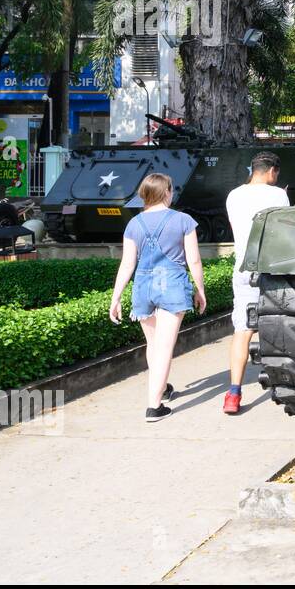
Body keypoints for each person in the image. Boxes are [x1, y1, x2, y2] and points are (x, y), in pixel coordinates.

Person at [109, 173, 207, 422]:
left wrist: (116, 297)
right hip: (172, 286)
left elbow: (127, 264)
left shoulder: (134, 224)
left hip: (143, 287)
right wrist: (200, 290)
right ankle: (154, 406)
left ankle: (162, 388)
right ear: (166, 193)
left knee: (153, 345)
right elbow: (193, 259)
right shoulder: (184, 220)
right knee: (164, 347)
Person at [224, 152, 290, 415]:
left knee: (242, 331)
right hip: (272, 269)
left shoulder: (233, 195)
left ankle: (233, 393)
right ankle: (282, 386)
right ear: (272, 171)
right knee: (278, 328)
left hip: (243, 269)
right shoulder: (278, 196)